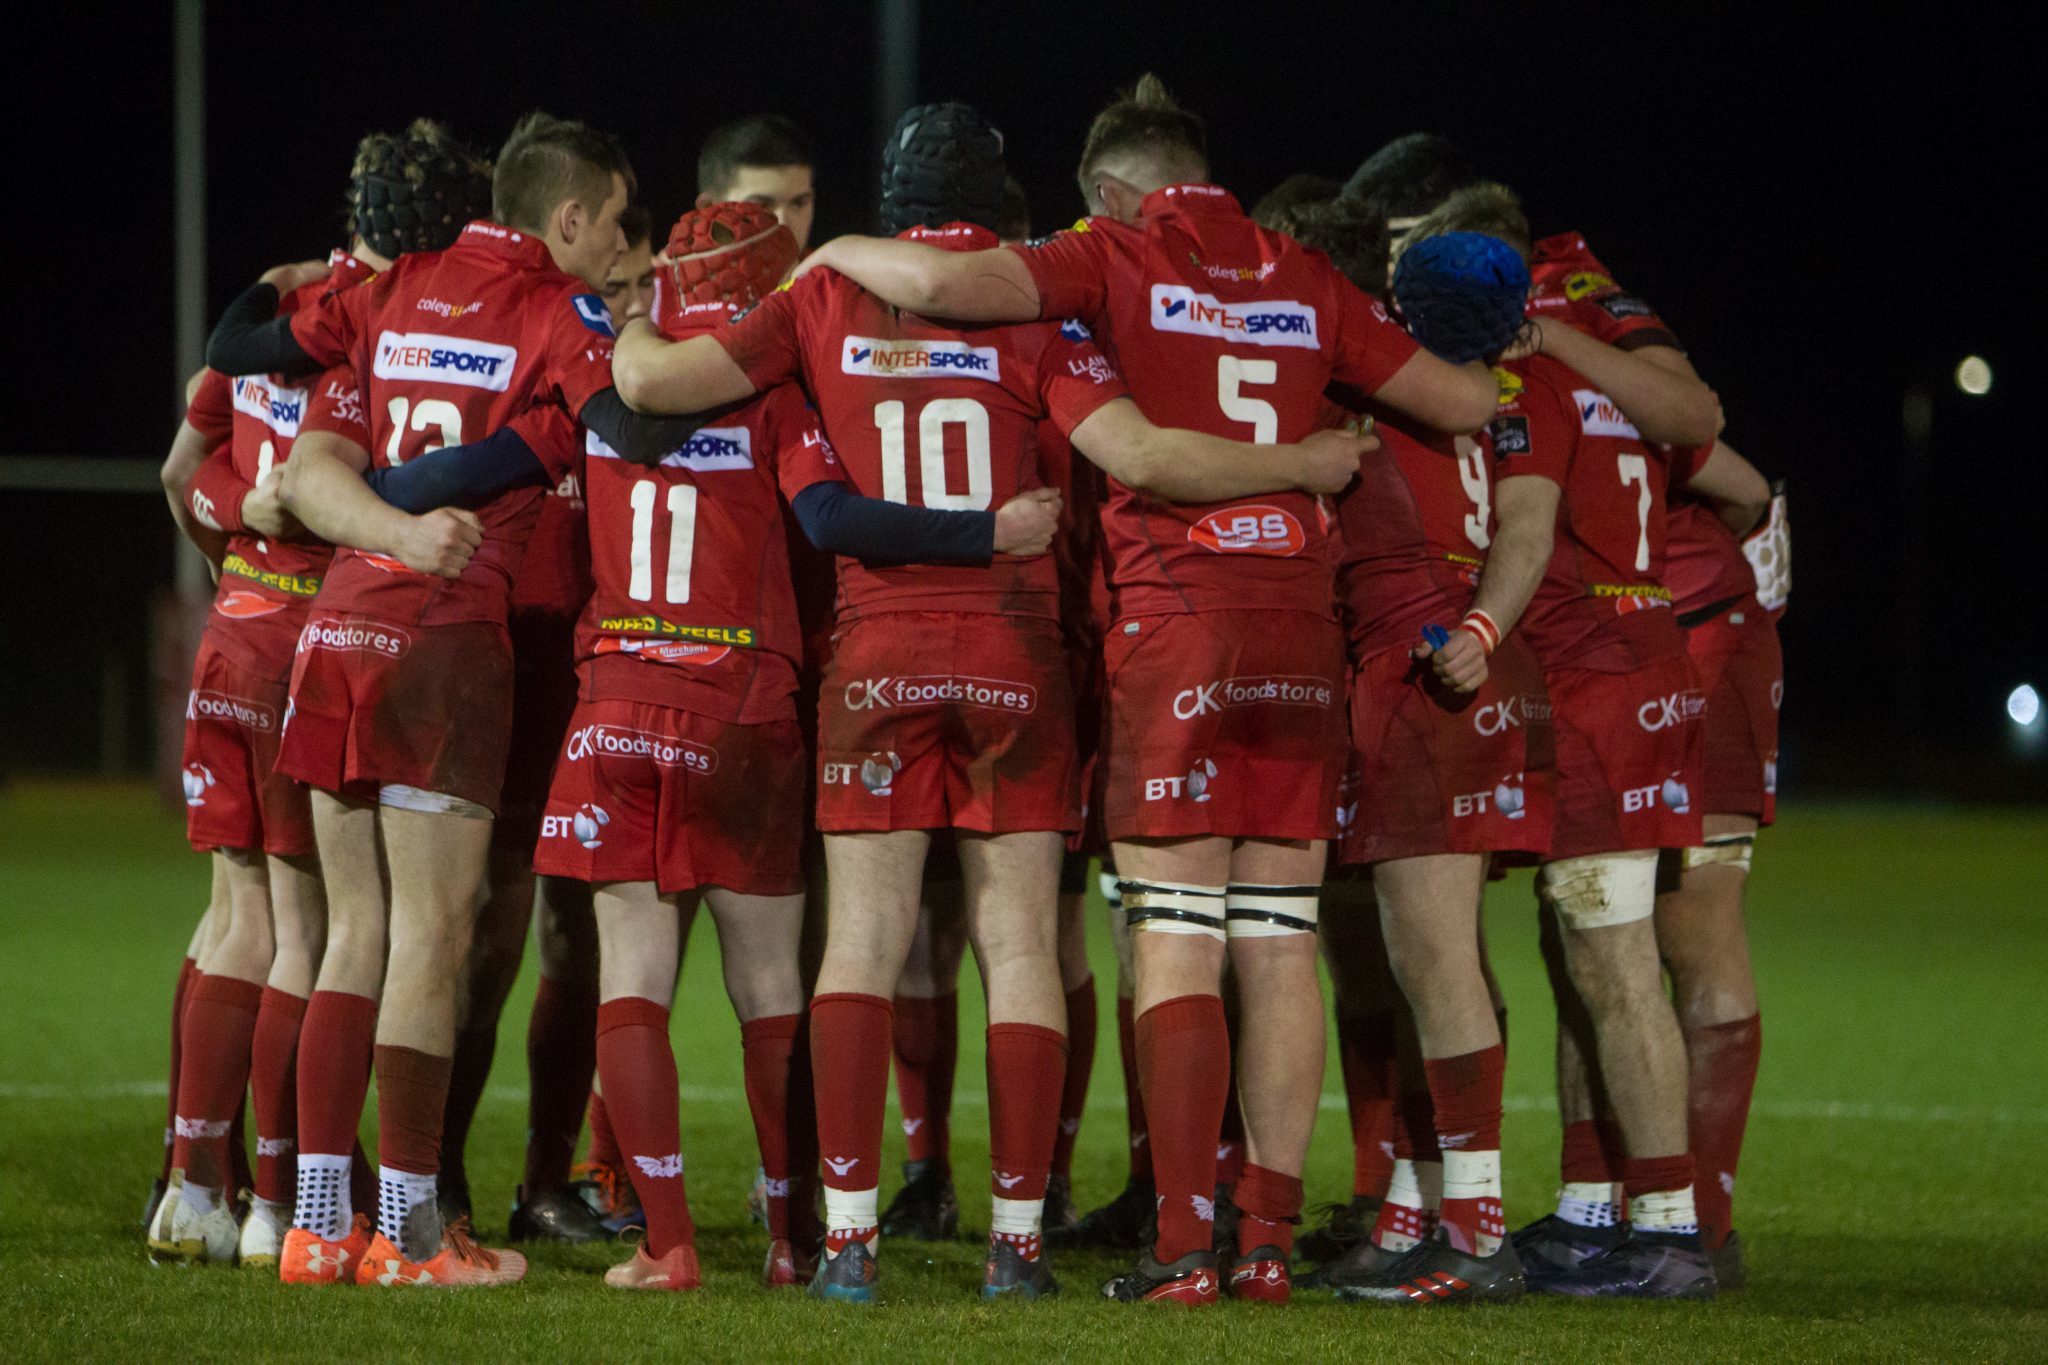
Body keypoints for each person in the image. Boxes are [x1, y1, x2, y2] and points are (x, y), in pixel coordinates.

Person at [611, 100, 1374, 1305]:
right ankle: (1017, 1243)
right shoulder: (1044, 313)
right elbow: (1132, 449)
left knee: (861, 940)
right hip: (1019, 654)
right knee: (1021, 946)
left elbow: (654, 385)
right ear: (1006, 209)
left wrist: (628, 311)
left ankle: (851, 1242)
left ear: (891, 202)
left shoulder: (820, 298)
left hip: (875, 653)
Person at [790, 76, 1496, 1306]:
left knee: (1171, 942)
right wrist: (1471, 349)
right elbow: (1460, 400)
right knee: (1278, 944)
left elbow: (955, 288)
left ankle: (1181, 1244)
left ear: (1112, 190)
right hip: (1297, 630)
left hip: (1178, 631)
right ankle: (1267, 1243)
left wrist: (835, 248)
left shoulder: (1108, 249)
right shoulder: (1300, 271)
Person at [203, 109, 649, 1288]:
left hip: (336, 626)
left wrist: (392, 515)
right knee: (431, 942)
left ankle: (313, 1224)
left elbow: (285, 429)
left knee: (350, 934)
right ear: (566, 217)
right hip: (447, 641)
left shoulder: (390, 290)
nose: (619, 242)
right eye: (612, 221)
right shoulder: (561, 314)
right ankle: (407, 1234)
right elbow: (633, 418)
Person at [146, 121, 482, 1267]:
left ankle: (194, 1181)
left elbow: (181, 477)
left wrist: (233, 545)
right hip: (321, 637)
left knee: (230, 915)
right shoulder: (397, 323)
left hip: (231, 634)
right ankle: (286, 1207)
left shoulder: (280, 302)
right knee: (318, 932)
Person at [1312, 228, 1562, 1305]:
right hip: (1488, 672)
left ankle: (1475, 1234)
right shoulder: (1522, 394)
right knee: (1443, 958)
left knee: (1431, 965)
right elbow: (1527, 528)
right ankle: (1420, 1208)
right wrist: (1486, 630)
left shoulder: (1365, 389)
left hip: (1413, 679)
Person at [697, 114, 818, 253]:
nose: (784, 225)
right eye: (761, 206)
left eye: (799, 203)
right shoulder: (670, 273)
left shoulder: (839, 269)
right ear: (709, 210)